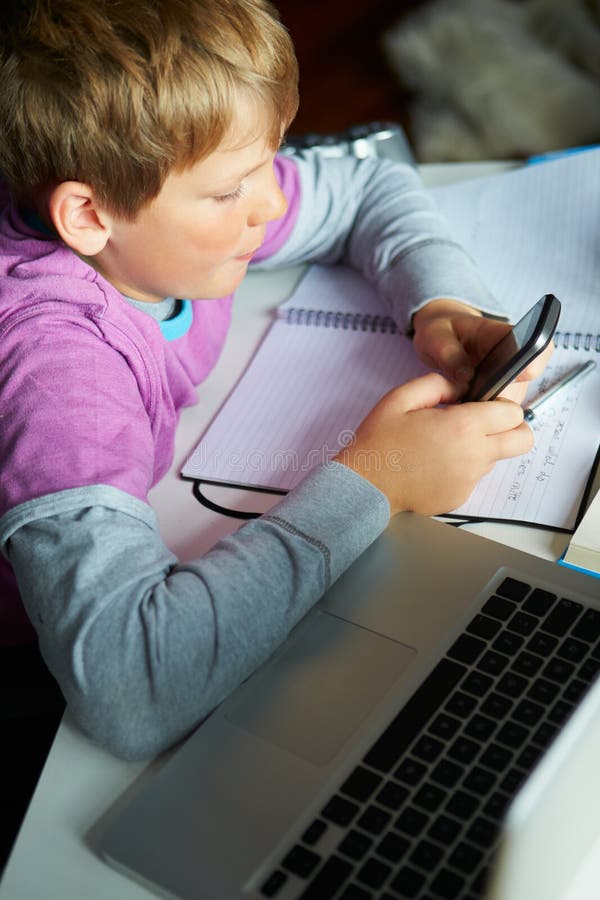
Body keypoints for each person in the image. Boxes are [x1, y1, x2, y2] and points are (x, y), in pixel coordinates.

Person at [0, 0, 545, 768]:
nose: (273, 201)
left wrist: (439, 303)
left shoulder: (162, 204)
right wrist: (378, 482)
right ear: (87, 214)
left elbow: (367, 189)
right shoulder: (58, 373)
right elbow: (133, 689)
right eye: (229, 191)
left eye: (271, 159)